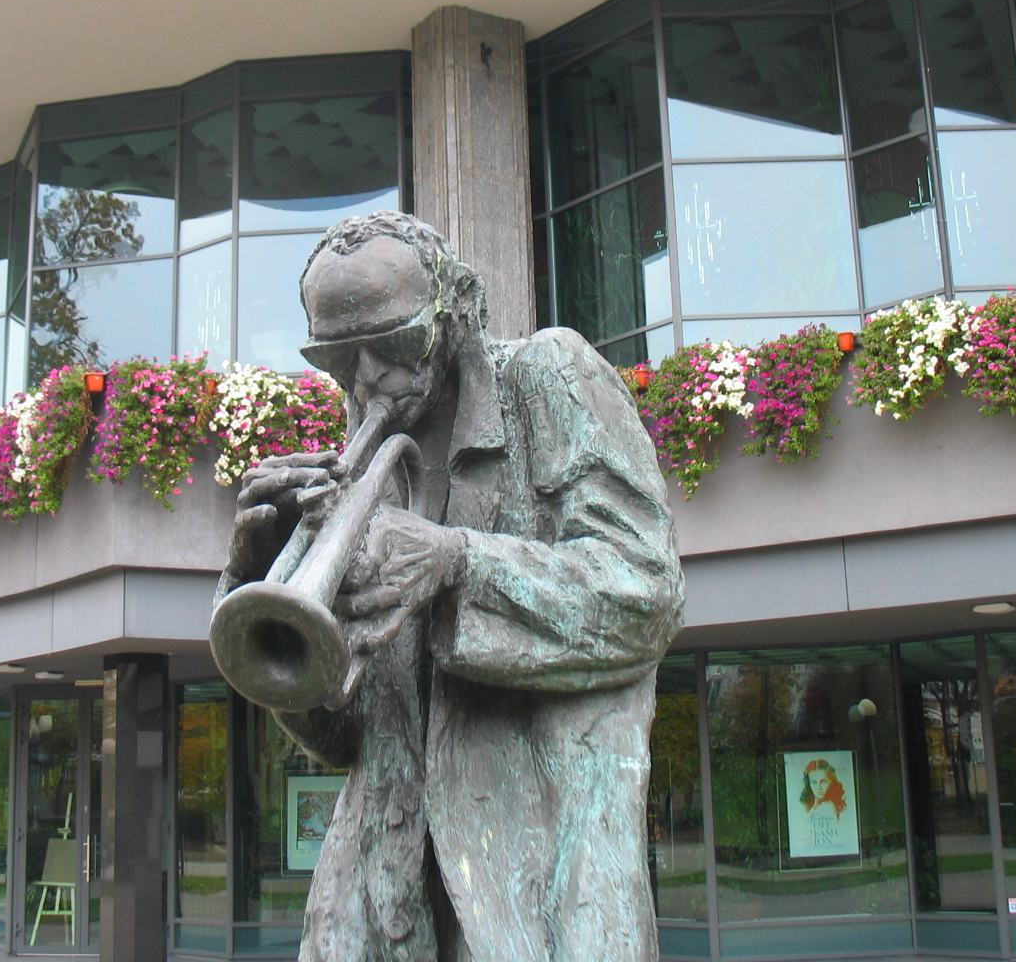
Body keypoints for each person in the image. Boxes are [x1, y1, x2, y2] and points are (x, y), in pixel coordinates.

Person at [216, 211, 684, 962]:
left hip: (537, 893)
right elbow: (343, 738)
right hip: (380, 900)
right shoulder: (356, 464)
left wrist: (460, 561)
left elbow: (645, 593)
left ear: (459, 309)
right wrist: (266, 575)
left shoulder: (548, 376)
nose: (365, 376)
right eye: (337, 356)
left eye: (394, 343)